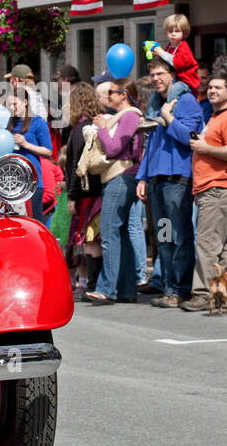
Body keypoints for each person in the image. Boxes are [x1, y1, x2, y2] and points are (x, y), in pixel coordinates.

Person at [136, 59, 203, 308]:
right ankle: (170, 287)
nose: (155, 78)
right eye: (152, 74)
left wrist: (167, 118)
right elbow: (150, 145)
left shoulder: (185, 101)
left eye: (160, 73)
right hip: (157, 180)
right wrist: (143, 176)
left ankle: (183, 290)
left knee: (180, 236)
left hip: (178, 180)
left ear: (172, 75)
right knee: (164, 237)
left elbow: (189, 137)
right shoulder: (155, 103)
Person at [182, 72, 227, 312]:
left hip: (218, 187)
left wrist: (205, 147)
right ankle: (221, 292)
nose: (212, 91)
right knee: (221, 245)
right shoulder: (215, 116)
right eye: (210, 87)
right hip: (211, 187)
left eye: (218, 88)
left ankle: (202, 293)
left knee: (207, 243)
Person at [84, 79, 143, 305]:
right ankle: (127, 289)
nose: (108, 97)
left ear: (124, 94)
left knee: (109, 232)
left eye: (112, 92)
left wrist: (101, 129)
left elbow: (114, 148)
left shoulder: (129, 116)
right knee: (122, 235)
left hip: (120, 177)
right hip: (123, 177)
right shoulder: (126, 116)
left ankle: (106, 288)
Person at [63, 82, 104, 299]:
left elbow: (75, 168)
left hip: (86, 193)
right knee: (98, 237)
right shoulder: (100, 125)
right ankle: (96, 282)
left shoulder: (79, 131)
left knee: (88, 238)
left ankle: (93, 284)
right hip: (102, 188)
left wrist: (72, 196)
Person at [5, 87, 54, 220]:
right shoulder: (10, 123)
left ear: (25, 102)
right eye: (9, 105)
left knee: (34, 222)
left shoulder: (38, 123)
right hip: (13, 182)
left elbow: (48, 151)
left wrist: (26, 144)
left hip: (33, 182)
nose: (11, 107)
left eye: (14, 104)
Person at [146, 13, 199, 116]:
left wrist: (161, 52)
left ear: (184, 33)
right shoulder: (170, 47)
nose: (173, 34)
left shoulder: (184, 47)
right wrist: (157, 54)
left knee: (173, 91)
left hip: (186, 81)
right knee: (156, 93)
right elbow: (165, 63)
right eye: (170, 31)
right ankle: (150, 117)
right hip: (175, 79)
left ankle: (170, 114)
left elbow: (177, 63)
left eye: (177, 31)